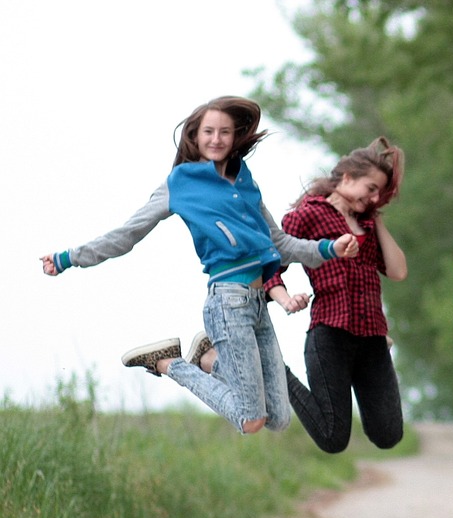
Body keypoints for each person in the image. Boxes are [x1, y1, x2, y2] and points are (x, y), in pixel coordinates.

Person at [40, 96, 359, 434]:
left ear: (235, 137)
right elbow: (128, 234)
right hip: (228, 303)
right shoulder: (180, 184)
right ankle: (170, 363)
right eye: (208, 131)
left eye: (224, 132)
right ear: (195, 136)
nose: (216, 139)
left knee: (277, 419)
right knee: (251, 420)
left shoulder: (245, 182)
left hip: (257, 305)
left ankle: (207, 357)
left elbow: (280, 244)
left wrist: (330, 248)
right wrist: (69, 258)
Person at [244, 137, 409, 454]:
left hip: (373, 337)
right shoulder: (307, 215)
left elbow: (399, 271)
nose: (374, 197)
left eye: (379, 193)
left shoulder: (367, 223)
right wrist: (286, 297)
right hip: (331, 333)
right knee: (333, 437)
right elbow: (271, 263)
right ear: (347, 178)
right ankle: (273, 367)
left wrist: (376, 219)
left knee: (389, 434)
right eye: (371, 188)